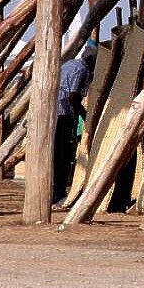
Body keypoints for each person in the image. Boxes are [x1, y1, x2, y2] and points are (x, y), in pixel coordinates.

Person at [51, 44, 95, 209]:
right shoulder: (81, 69)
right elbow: (72, 97)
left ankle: (55, 193)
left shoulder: (70, 64)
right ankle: (58, 195)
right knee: (62, 157)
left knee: (57, 155)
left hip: (55, 114)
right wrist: (86, 116)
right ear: (90, 59)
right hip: (62, 115)